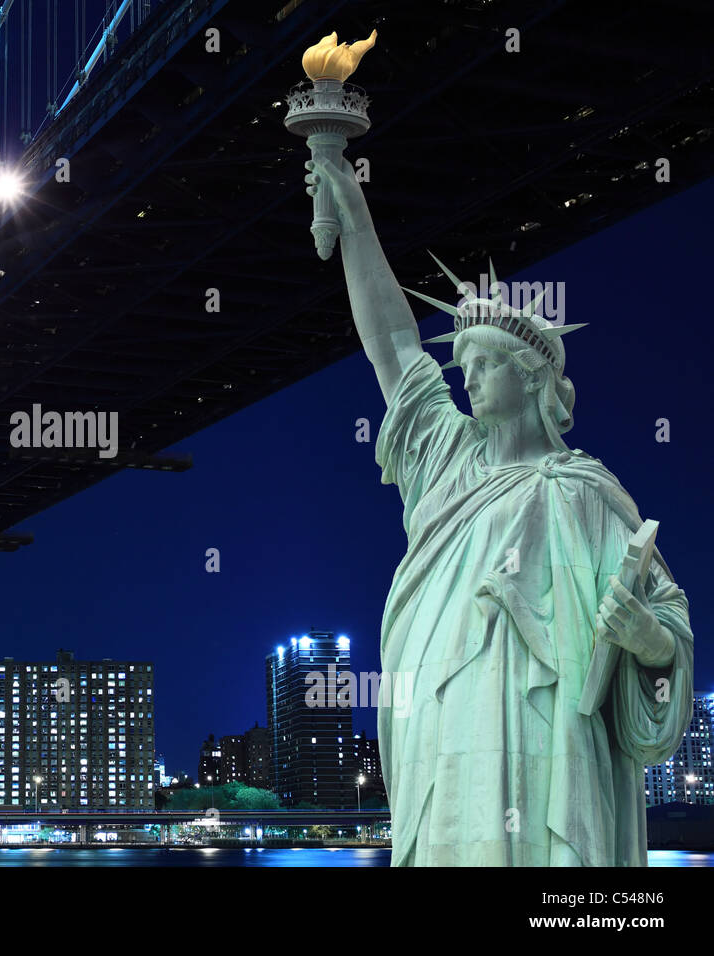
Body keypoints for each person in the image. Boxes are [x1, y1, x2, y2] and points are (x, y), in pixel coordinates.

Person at [304, 156, 694, 865]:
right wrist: (354, 210)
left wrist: (650, 642)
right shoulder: (447, 459)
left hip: (550, 744)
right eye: (464, 366)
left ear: (532, 373)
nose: (467, 377)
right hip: (445, 742)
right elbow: (393, 346)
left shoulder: (585, 490)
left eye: (483, 363)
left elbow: (668, 622)